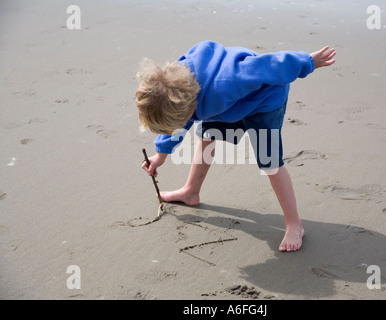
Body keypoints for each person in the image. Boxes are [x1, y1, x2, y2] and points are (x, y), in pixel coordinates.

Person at [136, 41, 335, 251]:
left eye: (182, 119)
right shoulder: (175, 92)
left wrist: (308, 61)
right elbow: (179, 123)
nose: (183, 123)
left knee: (269, 162)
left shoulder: (229, 79)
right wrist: (161, 154)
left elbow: (269, 65)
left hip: (264, 101)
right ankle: (191, 191)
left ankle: (294, 224)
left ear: (188, 106)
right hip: (219, 105)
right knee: (206, 136)